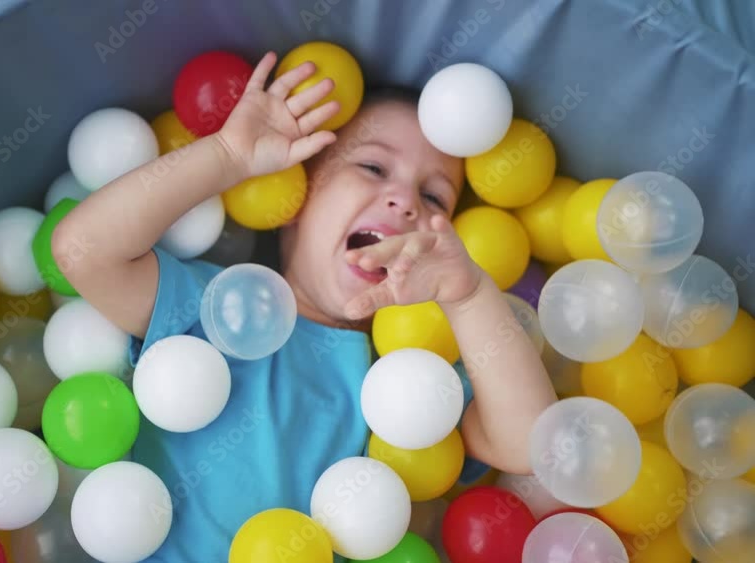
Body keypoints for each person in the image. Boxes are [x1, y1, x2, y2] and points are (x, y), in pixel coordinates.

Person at [53, 51, 557, 562]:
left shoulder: (408, 380)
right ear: (298, 195)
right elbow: (83, 249)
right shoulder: (217, 308)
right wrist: (226, 156)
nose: (405, 201)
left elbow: (526, 445)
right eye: (373, 166)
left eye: (434, 199)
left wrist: (469, 295)